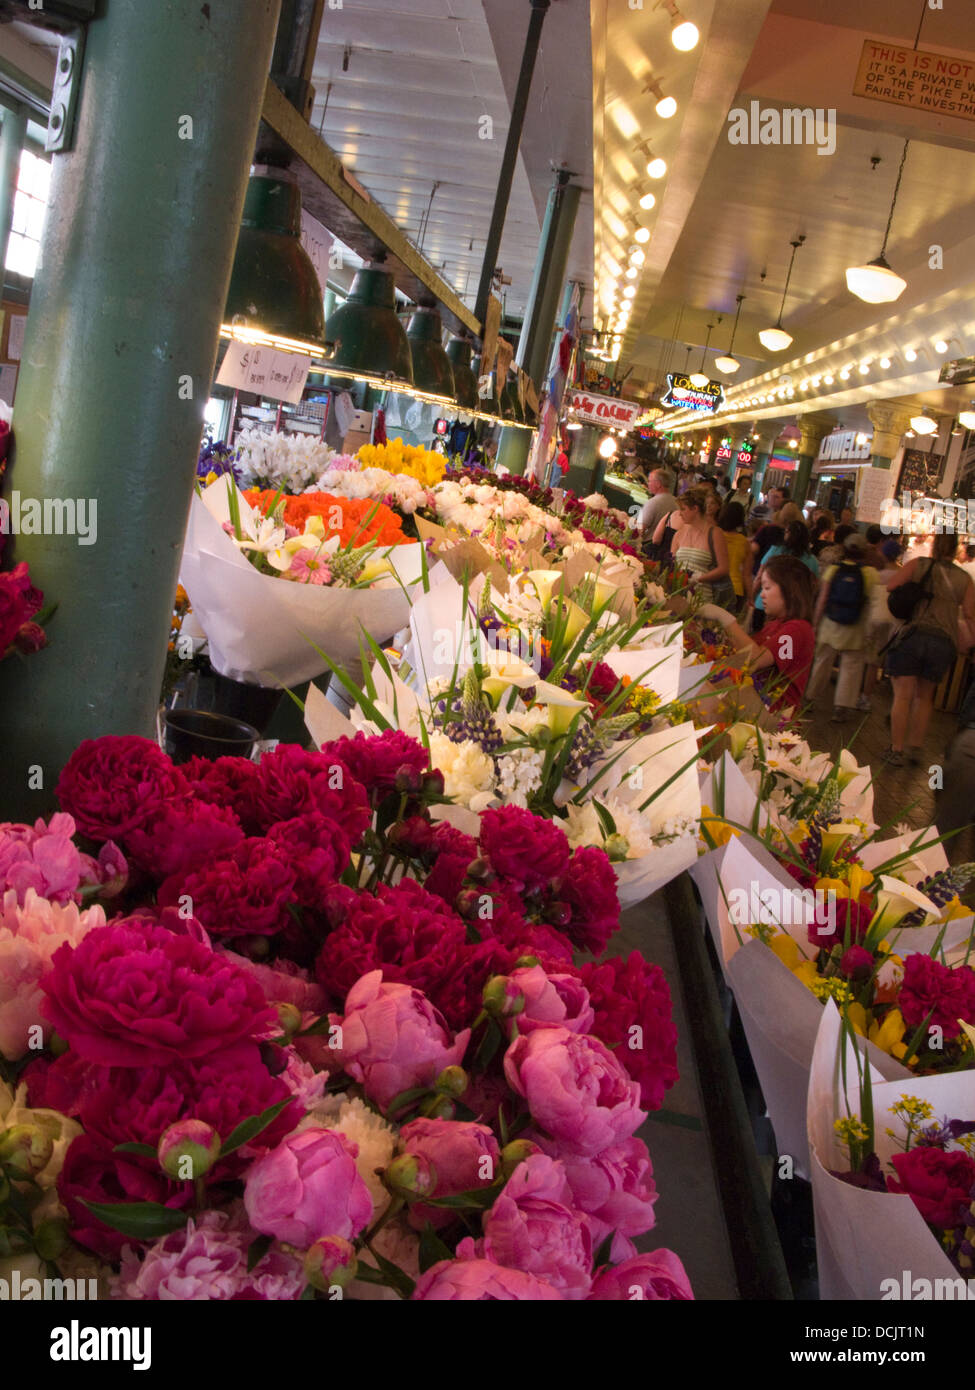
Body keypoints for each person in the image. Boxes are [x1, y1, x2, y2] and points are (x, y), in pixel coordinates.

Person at [883, 532, 975, 766]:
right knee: (925, 697)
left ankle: (896, 749)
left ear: (935, 546)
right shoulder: (964, 579)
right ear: (955, 549)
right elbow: (969, 614)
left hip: (914, 634)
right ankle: (916, 747)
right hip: (944, 641)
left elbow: (892, 585)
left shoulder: (919, 564)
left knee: (903, 695)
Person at [700, 555, 817, 714]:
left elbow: (754, 659)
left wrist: (726, 620)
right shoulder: (777, 624)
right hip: (755, 708)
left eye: (767, 588)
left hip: (773, 718)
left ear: (790, 590)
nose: (762, 594)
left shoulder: (797, 630)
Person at [805, 532, 876, 721]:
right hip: (855, 628)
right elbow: (870, 604)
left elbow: (823, 598)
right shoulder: (870, 574)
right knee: (850, 668)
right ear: (864, 552)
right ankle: (841, 707)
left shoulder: (833, 570)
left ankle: (810, 697)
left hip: (830, 625)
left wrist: (815, 622)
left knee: (822, 662)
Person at [751, 519, 818, 632]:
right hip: (793, 610)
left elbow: (759, 576)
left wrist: (751, 596)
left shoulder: (776, 550)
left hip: (763, 606)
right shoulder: (811, 560)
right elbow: (813, 587)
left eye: (786, 532)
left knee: (758, 639)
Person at [668, 485, 730, 603]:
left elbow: (724, 568)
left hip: (702, 598)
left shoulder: (715, 533)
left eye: (683, 509)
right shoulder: (679, 533)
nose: (680, 513)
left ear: (695, 509)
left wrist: (699, 578)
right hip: (678, 596)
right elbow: (671, 562)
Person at [718, 501, 753, 614]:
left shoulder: (716, 536)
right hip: (736, 590)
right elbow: (747, 575)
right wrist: (751, 597)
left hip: (716, 585)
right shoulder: (744, 542)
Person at [638, 467, 679, 541]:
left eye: (650, 481)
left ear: (658, 484)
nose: (648, 484)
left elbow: (640, 530)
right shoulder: (677, 502)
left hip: (648, 546)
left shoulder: (653, 502)